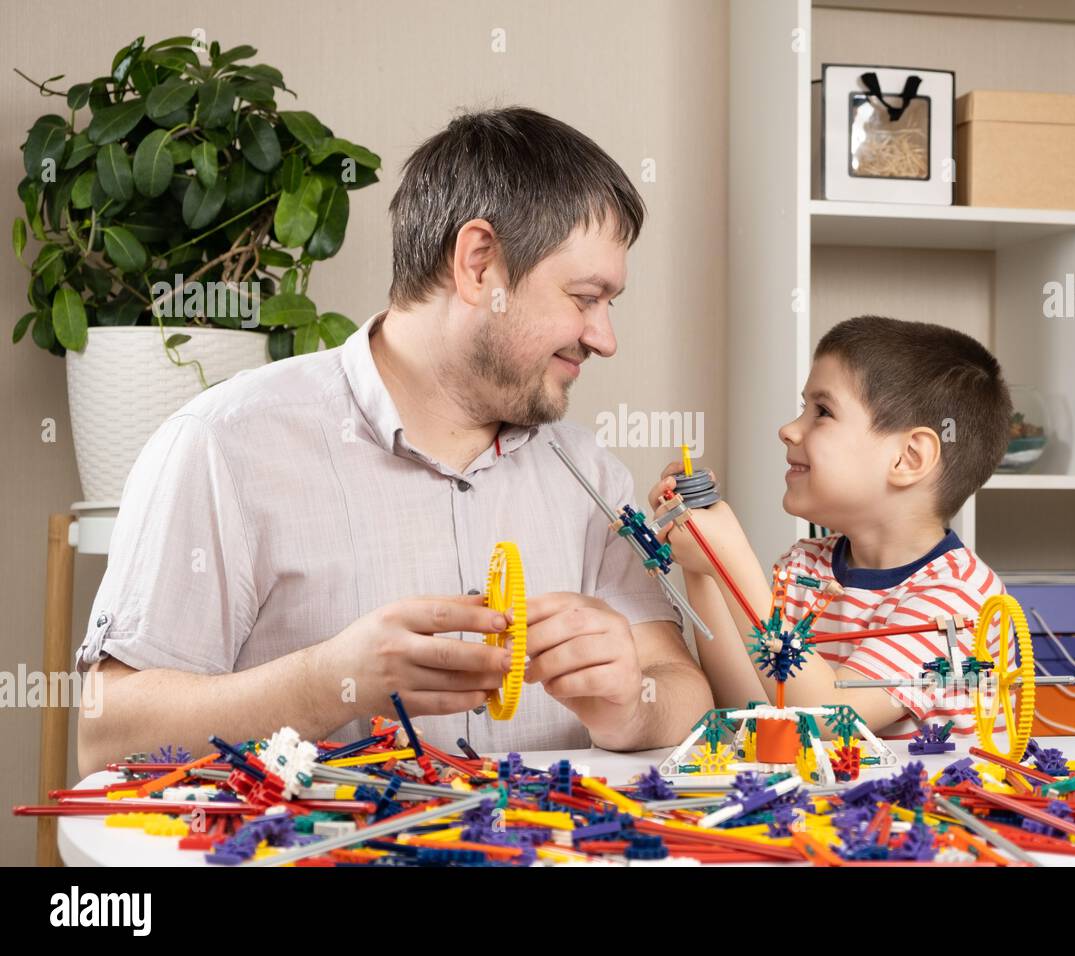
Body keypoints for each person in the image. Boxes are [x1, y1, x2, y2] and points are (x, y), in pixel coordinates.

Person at [74, 106, 712, 776]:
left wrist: (635, 706)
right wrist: (325, 682)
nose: (604, 338)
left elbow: (685, 690)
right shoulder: (224, 446)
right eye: (585, 297)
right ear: (477, 264)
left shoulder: (587, 472)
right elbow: (106, 736)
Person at [648, 315, 1013, 740]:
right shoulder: (805, 566)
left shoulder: (960, 600)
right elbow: (753, 711)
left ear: (908, 458)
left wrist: (734, 565)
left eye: (822, 411)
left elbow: (826, 719)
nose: (788, 430)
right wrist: (705, 569)